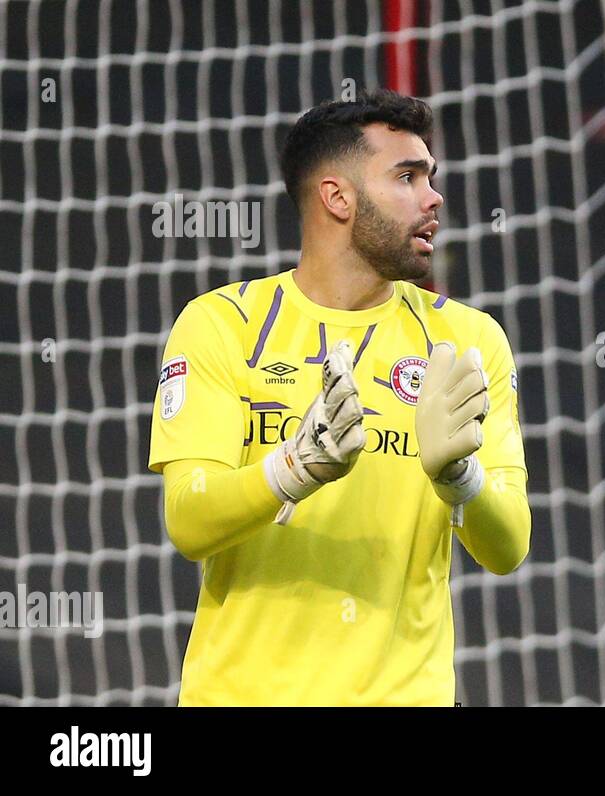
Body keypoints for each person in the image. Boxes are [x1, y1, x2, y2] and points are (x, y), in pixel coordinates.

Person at [148, 89, 530, 706]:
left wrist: (461, 479)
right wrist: (291, 469)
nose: (434, 198)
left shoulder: (468, 339)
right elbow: (189, 522)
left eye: (430, 177)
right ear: (337, 197)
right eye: (407, 176)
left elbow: (509, 546)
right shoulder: (224, 324)